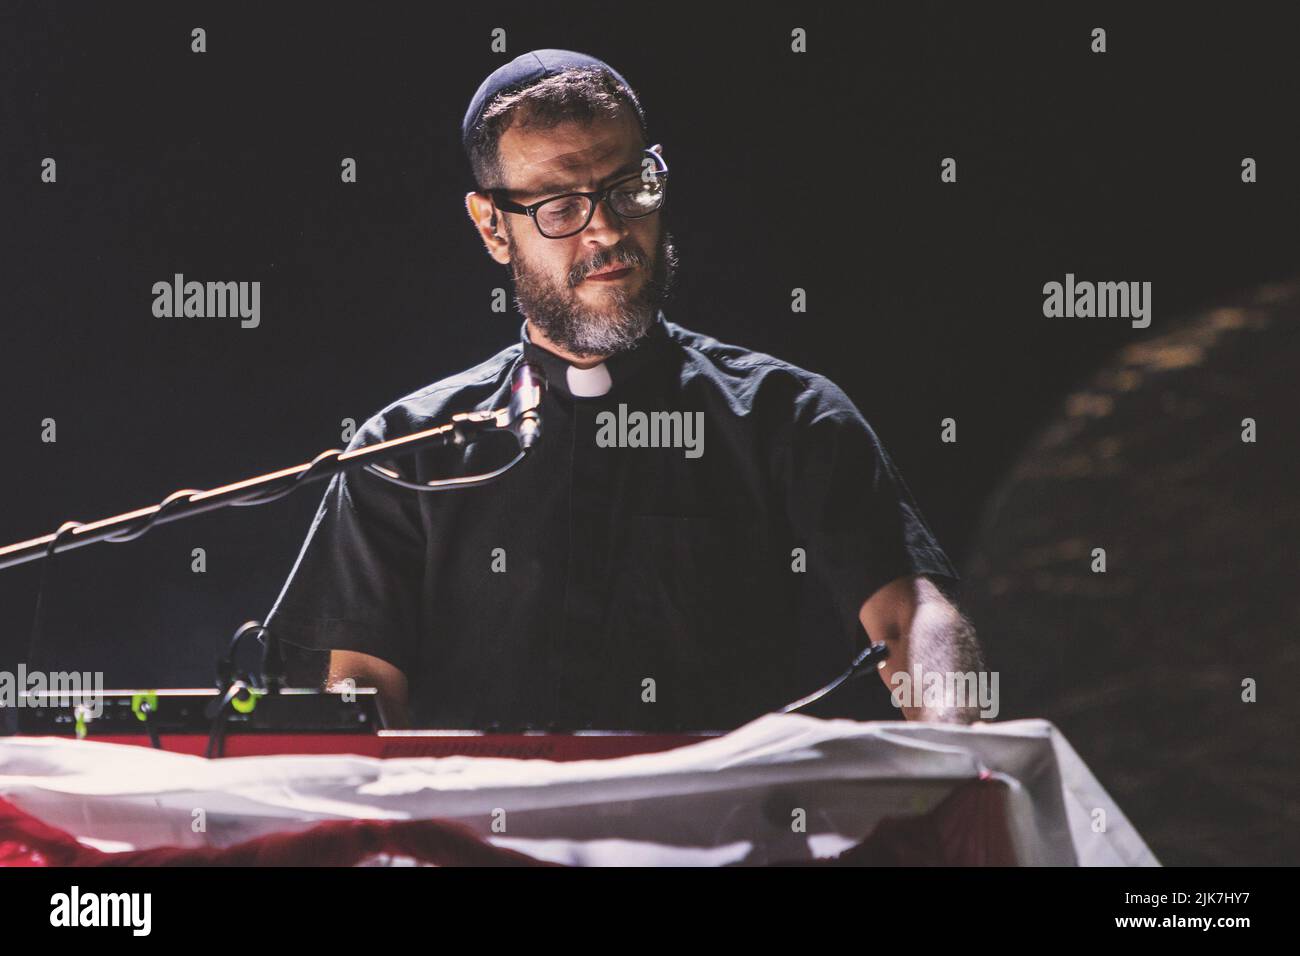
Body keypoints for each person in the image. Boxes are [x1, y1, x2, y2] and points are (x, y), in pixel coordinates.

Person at [265, 50, 986, 730]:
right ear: (492, 226)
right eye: (558, 204)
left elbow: (912, 615)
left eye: (628, 187)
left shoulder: (785, 418)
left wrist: (962, 760)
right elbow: (359, 694)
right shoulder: (404, 453)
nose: (607, 228)